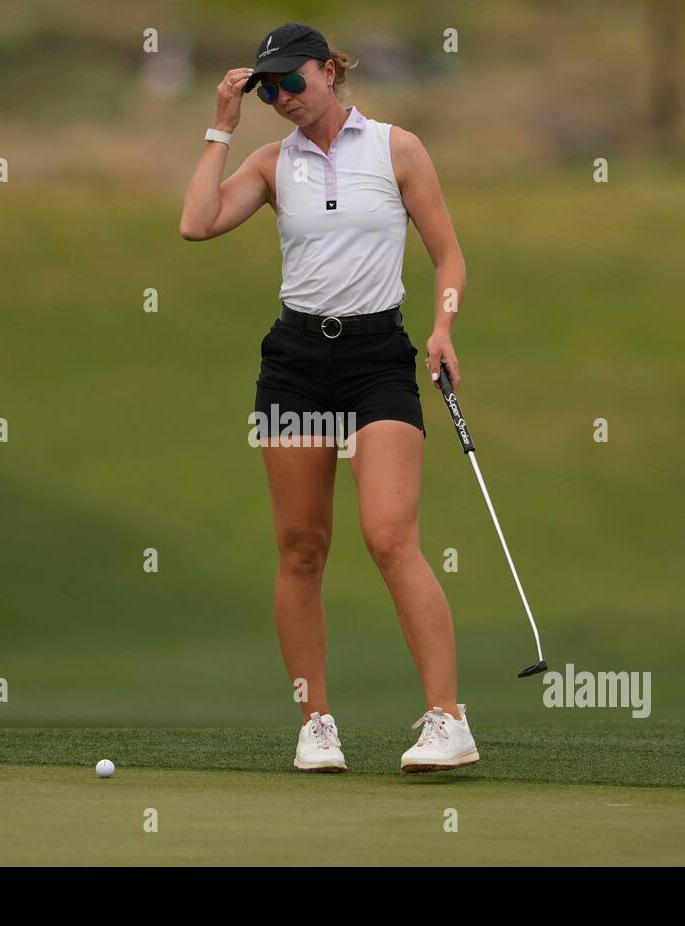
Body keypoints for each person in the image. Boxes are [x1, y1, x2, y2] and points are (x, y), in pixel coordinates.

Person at [179, 23, 477, 773]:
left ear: (329, 69)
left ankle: (448, 719)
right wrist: (220, 126)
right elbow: (196, 223)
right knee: (302, 547)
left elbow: (447, 250)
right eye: (267, 89)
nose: (280, 97)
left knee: (387, 535)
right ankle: (316, 723)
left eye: (290, 81)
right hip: (296, 361)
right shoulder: (271, 163)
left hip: (379, 357)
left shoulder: (396, 147)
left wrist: (443, 326)